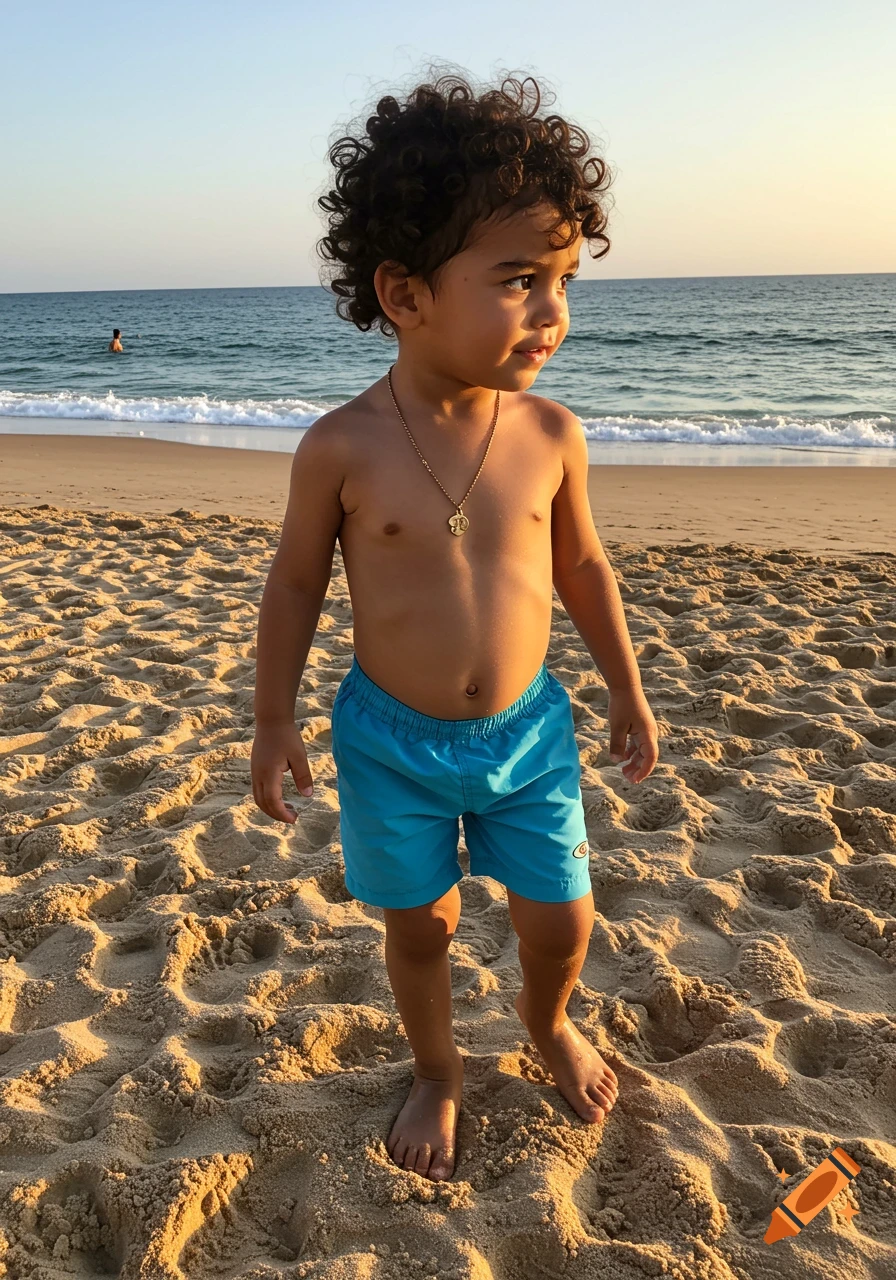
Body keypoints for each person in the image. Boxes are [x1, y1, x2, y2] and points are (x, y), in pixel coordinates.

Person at [251, 69, 659, 1184]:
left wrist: (624, 686)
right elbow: (293, 586)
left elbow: (579, 564)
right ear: (404, 292)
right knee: (418, 926)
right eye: (518, 279)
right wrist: (273, 717)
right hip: (390, 742)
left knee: (559, 921)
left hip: (527, 735)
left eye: (564, 279)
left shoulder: (550, 432)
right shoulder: (340, 447)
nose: (551, 311)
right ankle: (435, 1069)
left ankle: (545, 1018)